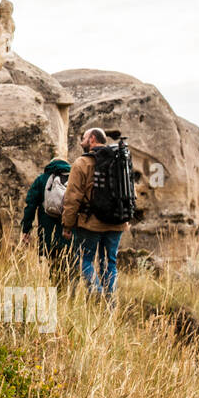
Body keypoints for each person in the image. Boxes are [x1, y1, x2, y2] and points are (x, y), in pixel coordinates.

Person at [60, 127, 127, 298]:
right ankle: (109, 301)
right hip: (117, 221)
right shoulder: (120, 160)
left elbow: (72, 197)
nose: (81, 141)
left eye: (83, 138)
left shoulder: (82, 163)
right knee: (109, 263)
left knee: (84, 260)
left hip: (91, 223)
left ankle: (96, 292)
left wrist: (67, 225)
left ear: (92, 139)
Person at [20, 158, 72, 270]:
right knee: (68, 266)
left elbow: (30, 206)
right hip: (68, 233)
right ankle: (67, 287)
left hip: (47, 231)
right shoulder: (73, 179)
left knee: (52, 265)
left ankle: (54, 285)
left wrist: (26, 229)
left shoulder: (41, 180)